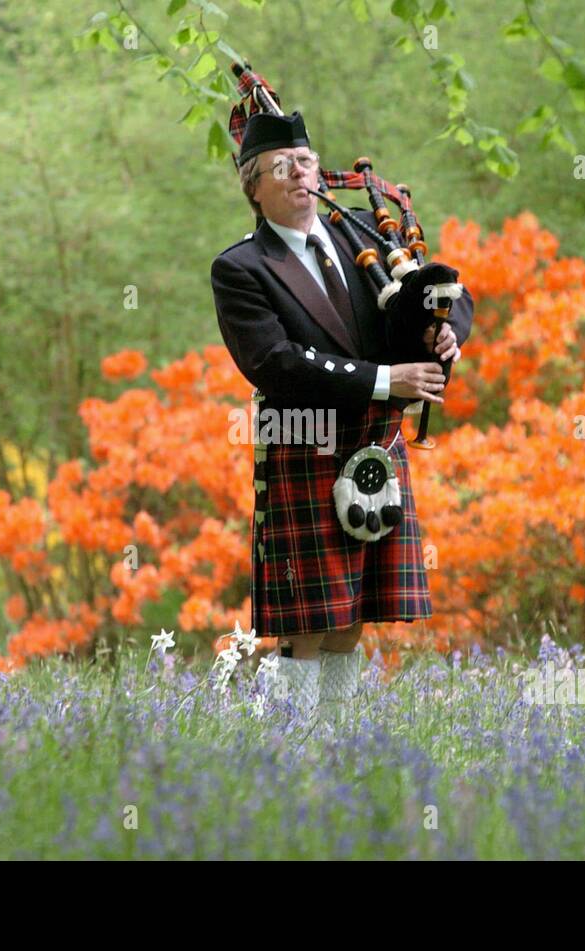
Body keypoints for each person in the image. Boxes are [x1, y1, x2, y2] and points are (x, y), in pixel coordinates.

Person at [210, 109, 474, 729]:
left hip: (374, 445)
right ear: (255, 187)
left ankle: (335, 743)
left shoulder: (358, 231)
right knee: (308, 620)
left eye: (305, 161)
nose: (300, 174)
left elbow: (447, 292)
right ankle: (288, 747)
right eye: (282, 168)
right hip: (306, 443)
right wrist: (387, 381)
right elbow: (273, 363)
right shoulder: (242, 268)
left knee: (351, 615)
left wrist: (445, 337)